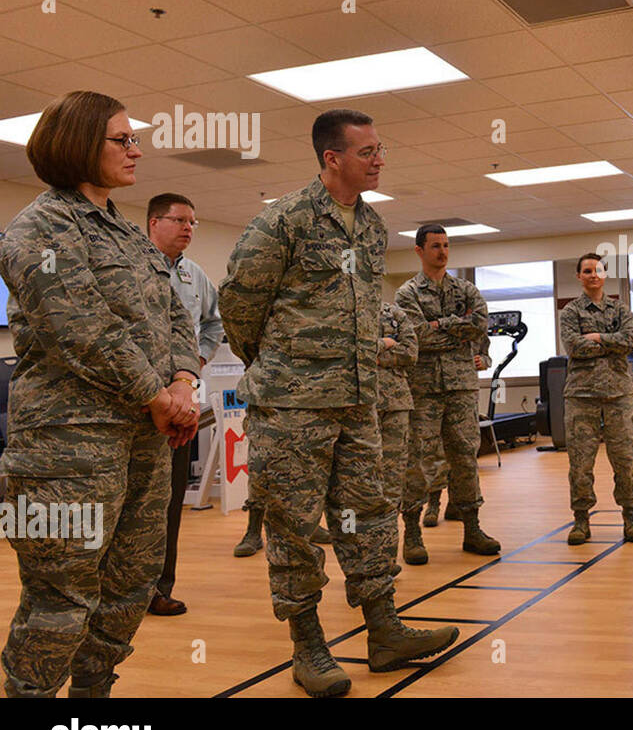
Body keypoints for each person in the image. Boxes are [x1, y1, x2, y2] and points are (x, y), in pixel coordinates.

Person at [218, 109, 457, 698]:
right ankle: (309, 648)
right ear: (333, 158)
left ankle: (383, 630)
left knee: (368, 513)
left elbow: (362, 311)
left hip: (358, 400)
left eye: (381, 149)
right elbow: (240, 308)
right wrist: (282, 369)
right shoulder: (282, 222)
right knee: (294, 526)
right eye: (368, 151)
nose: (379, 159)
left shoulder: (372, 226)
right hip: (292, 407)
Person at [0, 91, 200, 698]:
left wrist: (185, 380)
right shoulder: (38, 229)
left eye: (134, 138)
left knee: (130, 587)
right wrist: (158, 395)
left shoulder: (128, 234)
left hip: (145, 441)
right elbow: (80, 327)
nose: (136, 150)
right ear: (80, 143)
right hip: (68, 449)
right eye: (122, 139)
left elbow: (175, 315)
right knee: (60, 601)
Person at [395, 225, 499, 555]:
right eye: (436, 246)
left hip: (461, 387)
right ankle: (412, 533)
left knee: (465, 457)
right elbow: (416, 337)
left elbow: (480, 326)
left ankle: (472, 528)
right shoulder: (407, 294)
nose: (442, 251)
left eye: (446, 245)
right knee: (418, 460)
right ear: (419, 250)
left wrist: (439, 323)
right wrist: (456, 328)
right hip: (423, 389)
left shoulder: (466, 290)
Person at [145, 192, 224, 617]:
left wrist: (197, 360)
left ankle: (159, 587)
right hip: (139, 396)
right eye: (180, 220)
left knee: (171, 497)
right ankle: (120, 590)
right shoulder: (132, 266)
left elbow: (213, 321)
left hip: (182, 397)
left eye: (193, 222)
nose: (189, 228)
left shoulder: (195, 275)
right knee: (133, 498)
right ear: (154, 222)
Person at [558, 253, 633, 544]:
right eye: (587, 271)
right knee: (580, 463)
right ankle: (581, 520)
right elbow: (573, 346)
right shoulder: (570, 312)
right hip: (582, 397)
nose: (593, 275)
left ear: (605, 275)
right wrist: (610, 342)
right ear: (579, 276)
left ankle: (630, 517)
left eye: (598, 270)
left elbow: (630, 340)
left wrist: (596, 338)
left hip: (618, 395)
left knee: (626, 460)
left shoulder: (620, 309)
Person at [422, 334, 490, 528]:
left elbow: (486, 356)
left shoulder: (475, 330)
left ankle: (456, 505)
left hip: (464, 391)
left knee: (464, 453)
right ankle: (433, 504)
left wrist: (482, 361)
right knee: (437, 454)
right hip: (434, 391)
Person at [377, 301, 421, 568]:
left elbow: (411, 353)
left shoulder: (393, 313)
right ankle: (364, 555)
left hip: (395, 405)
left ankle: (387, 553)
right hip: (357, 406)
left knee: (393, 482)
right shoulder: (341, 310)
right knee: (360, 486)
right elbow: (347, 352)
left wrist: (374, 349)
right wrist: (386, 344)